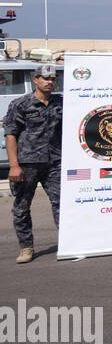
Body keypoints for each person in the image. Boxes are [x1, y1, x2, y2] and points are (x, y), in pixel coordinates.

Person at [4, 63, 61, 263]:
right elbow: (11, 135)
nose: (49, 82)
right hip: (26, 164)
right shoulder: (20, 104)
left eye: (53, 79)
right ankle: (26, 247)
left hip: (54, 163)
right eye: (45, 78)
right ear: (35, 79)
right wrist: (13, 165)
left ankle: (66, 242)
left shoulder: (60, 103)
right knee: (21, 206)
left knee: (61, 204)